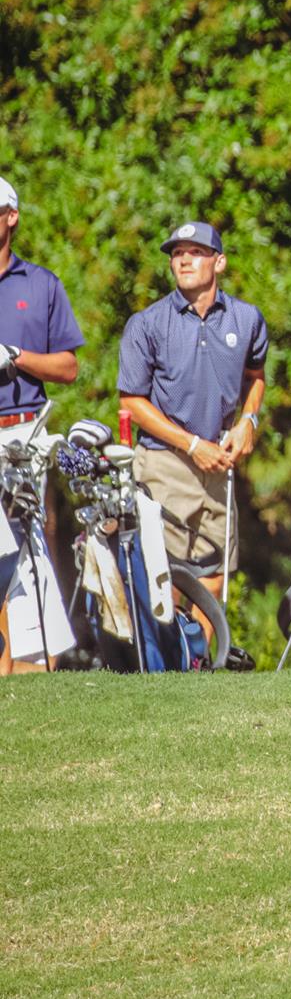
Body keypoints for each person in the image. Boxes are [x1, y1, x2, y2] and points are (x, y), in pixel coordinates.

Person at [117, 220, 267, 666]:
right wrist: (190, 443)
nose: (183, 259)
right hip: (165, 462)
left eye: (195, 252)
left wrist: (249, 421)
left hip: (219, 461)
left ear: (218, 261)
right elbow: (132, 400)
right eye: (177, 253)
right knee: (166, 574)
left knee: (214, 574)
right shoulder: (147, 324)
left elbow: (255, 377)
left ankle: (205, 668)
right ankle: (170, 665)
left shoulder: (246, 318)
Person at [0, 177, 85, 674]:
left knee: (24, 552)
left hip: (22, 433)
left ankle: (30, 667)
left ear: (11, 216)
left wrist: (17, 357)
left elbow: (68, 368)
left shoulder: (41, 284)